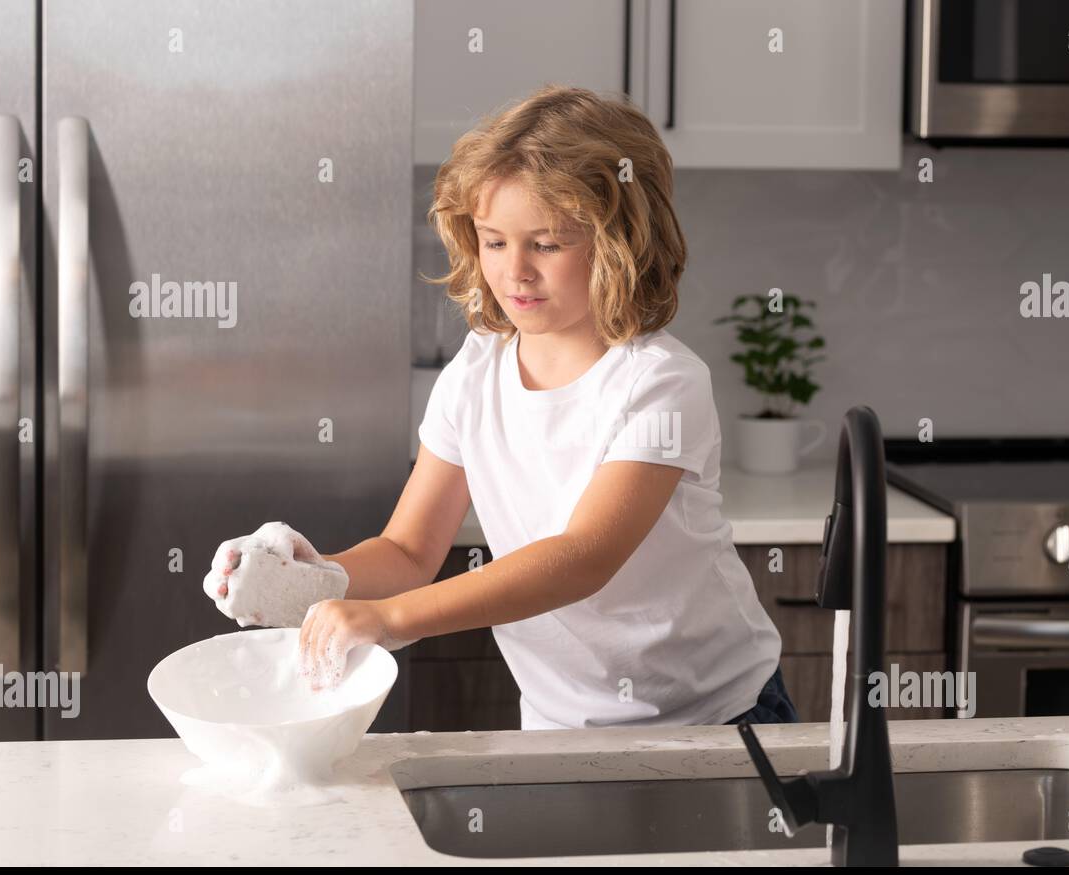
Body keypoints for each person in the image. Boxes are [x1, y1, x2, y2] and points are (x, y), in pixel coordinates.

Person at [205, 84, 798, 730]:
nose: (515, 271)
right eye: (493, 241)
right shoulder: (476, 372)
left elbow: (583, 558)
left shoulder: (660, 383)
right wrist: (311, 575)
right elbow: (407, 552)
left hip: (717, 716)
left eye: (545, 244)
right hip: (558, 725)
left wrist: (391, 618)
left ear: (620, 241)